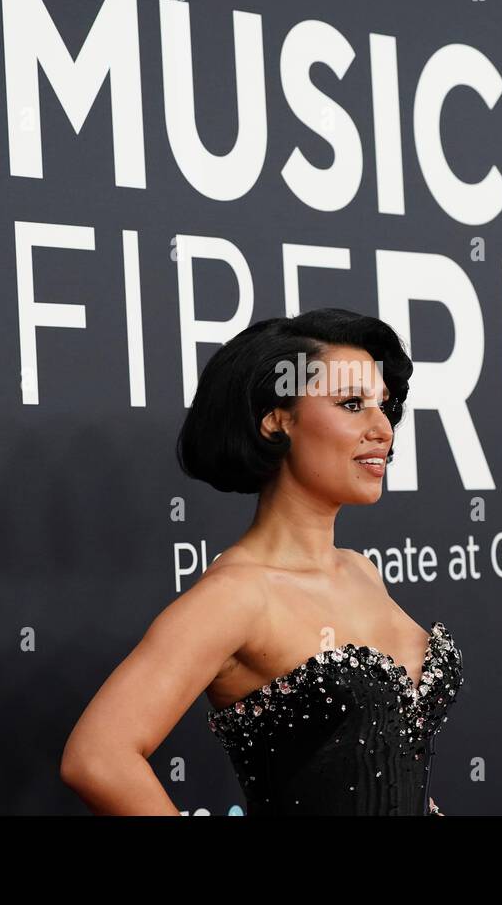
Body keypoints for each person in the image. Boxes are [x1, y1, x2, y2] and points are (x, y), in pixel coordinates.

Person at [60, 308, 463, 815]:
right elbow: (97, 757)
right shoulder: (238, 596)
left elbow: (376, 764)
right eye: (351, 403)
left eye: (383, 406)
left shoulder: (362, 571)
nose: (382, 428)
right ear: (277, 421)